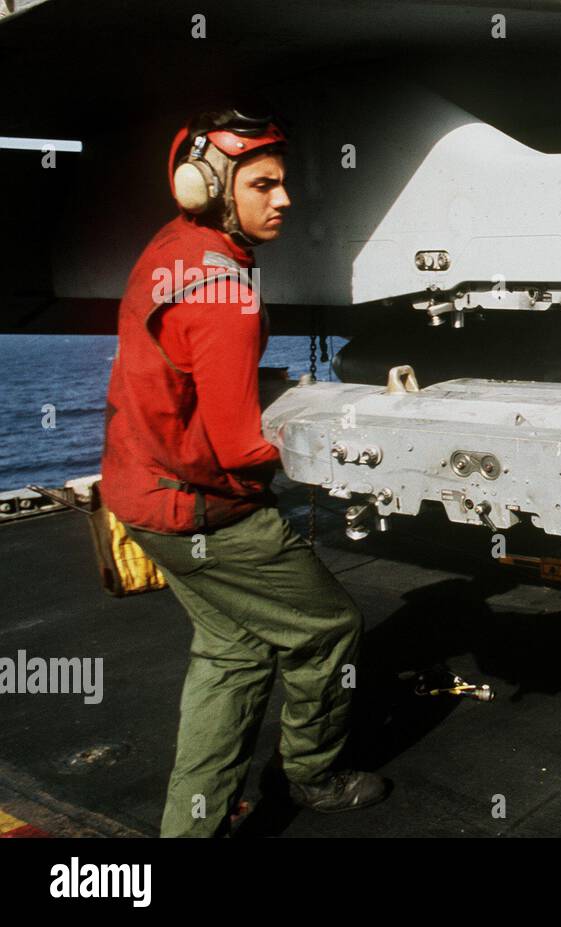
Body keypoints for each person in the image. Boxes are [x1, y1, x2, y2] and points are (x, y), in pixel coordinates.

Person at [100, 109, 387, 836]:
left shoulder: (173, 248)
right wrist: (340, 439)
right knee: (327, 627)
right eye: (264, 185)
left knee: (232, 653)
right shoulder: (226, 290)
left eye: (283, 184)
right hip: (206, 513)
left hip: (138, 498)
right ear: (209, 188)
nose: (283, 199)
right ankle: (314, 774)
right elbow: (238, 449)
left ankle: (191, 826)